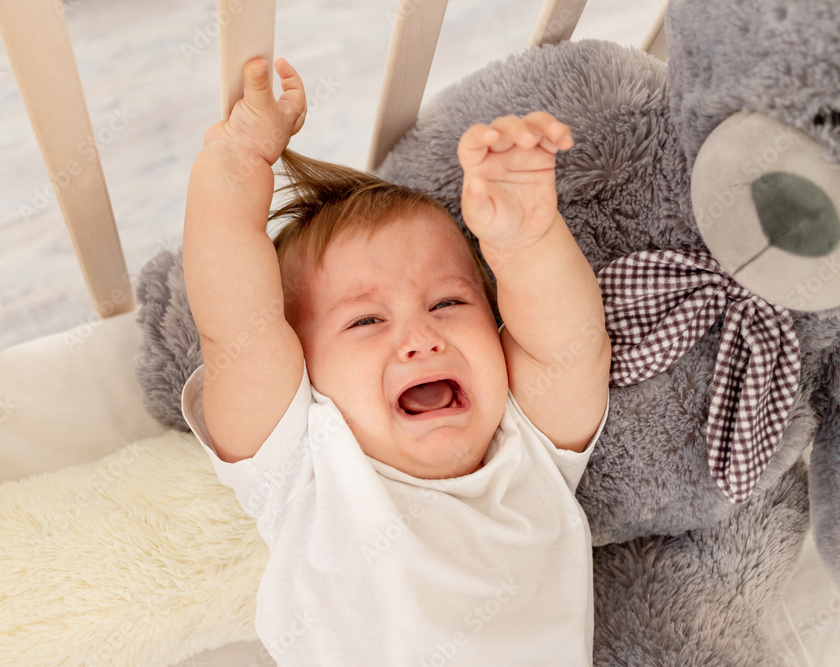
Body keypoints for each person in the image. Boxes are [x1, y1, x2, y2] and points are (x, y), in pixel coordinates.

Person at [181, 56, 610, 665]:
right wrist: (239, 160)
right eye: (366, 321)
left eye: (448, 301)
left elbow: (570, 344)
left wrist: (528, 241)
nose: (422, 338)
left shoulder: (526, 446)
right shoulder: (305, 461)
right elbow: (235, 326)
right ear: (300, 366)